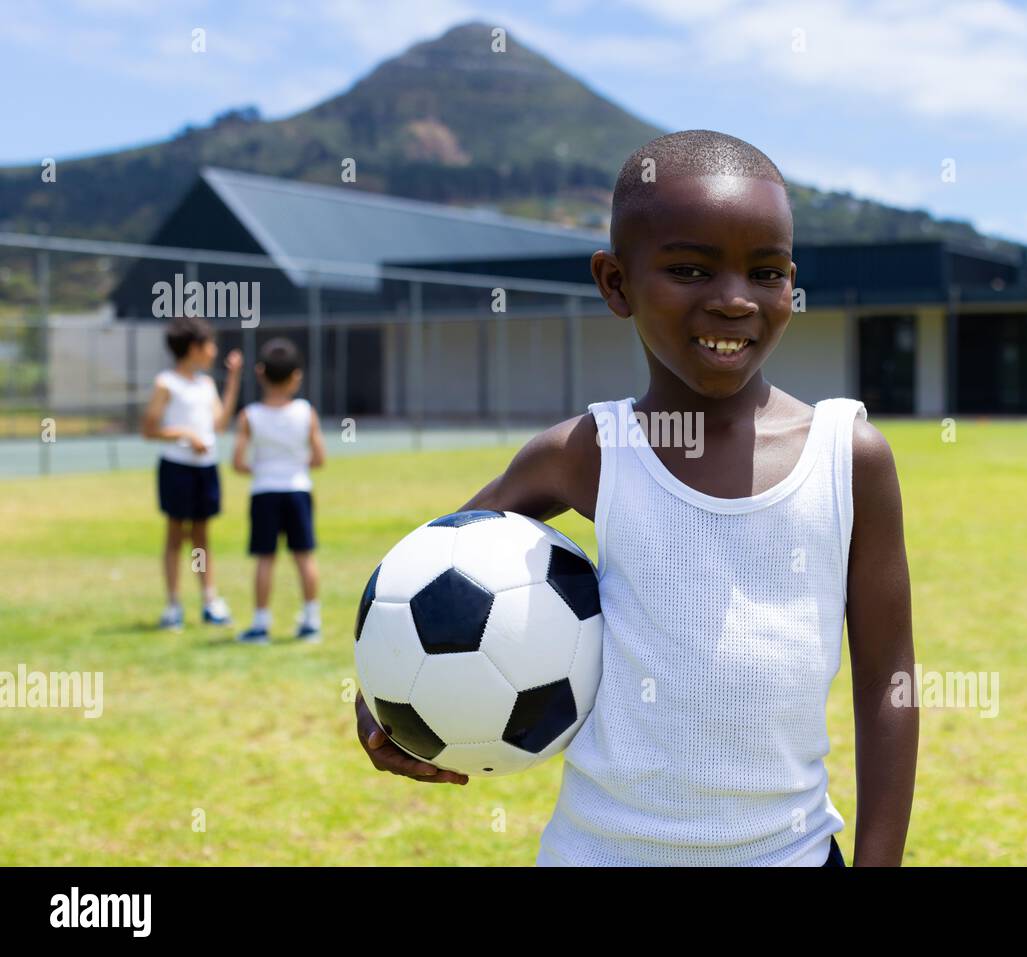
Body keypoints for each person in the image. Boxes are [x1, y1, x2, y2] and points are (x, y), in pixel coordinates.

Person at [354, 130, 918, 867]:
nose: (734, 300)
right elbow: (435, 577)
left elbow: (888, 679)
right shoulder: (589, 452)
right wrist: (386, 697)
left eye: (767, 271)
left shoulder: (848, 457)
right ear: (616, 283)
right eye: (689, 269)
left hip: (792, 854)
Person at [141, 315, 242, 630]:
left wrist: (234, 380)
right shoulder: (166, 383)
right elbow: (149, 429)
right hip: (177, 468)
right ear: (194, 347)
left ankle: (210, 601)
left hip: (205, 469)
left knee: (202, 536)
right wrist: (185, 435)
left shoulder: (206, 384)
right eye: (209, 344)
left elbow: (220, 424)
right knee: (175, 535)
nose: (213, 350)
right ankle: (173, 605)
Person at [231, 338, 326, 644]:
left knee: (265, 559)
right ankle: (311, 621)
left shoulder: (249, 416)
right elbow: (319, 458)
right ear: (296, 375)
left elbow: (237, 462)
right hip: (298, 490)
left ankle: (260, 625)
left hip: (264, 493)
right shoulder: (306, 411)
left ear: (260, 372)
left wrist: (261, 469)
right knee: (304, 556)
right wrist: (296, 466)